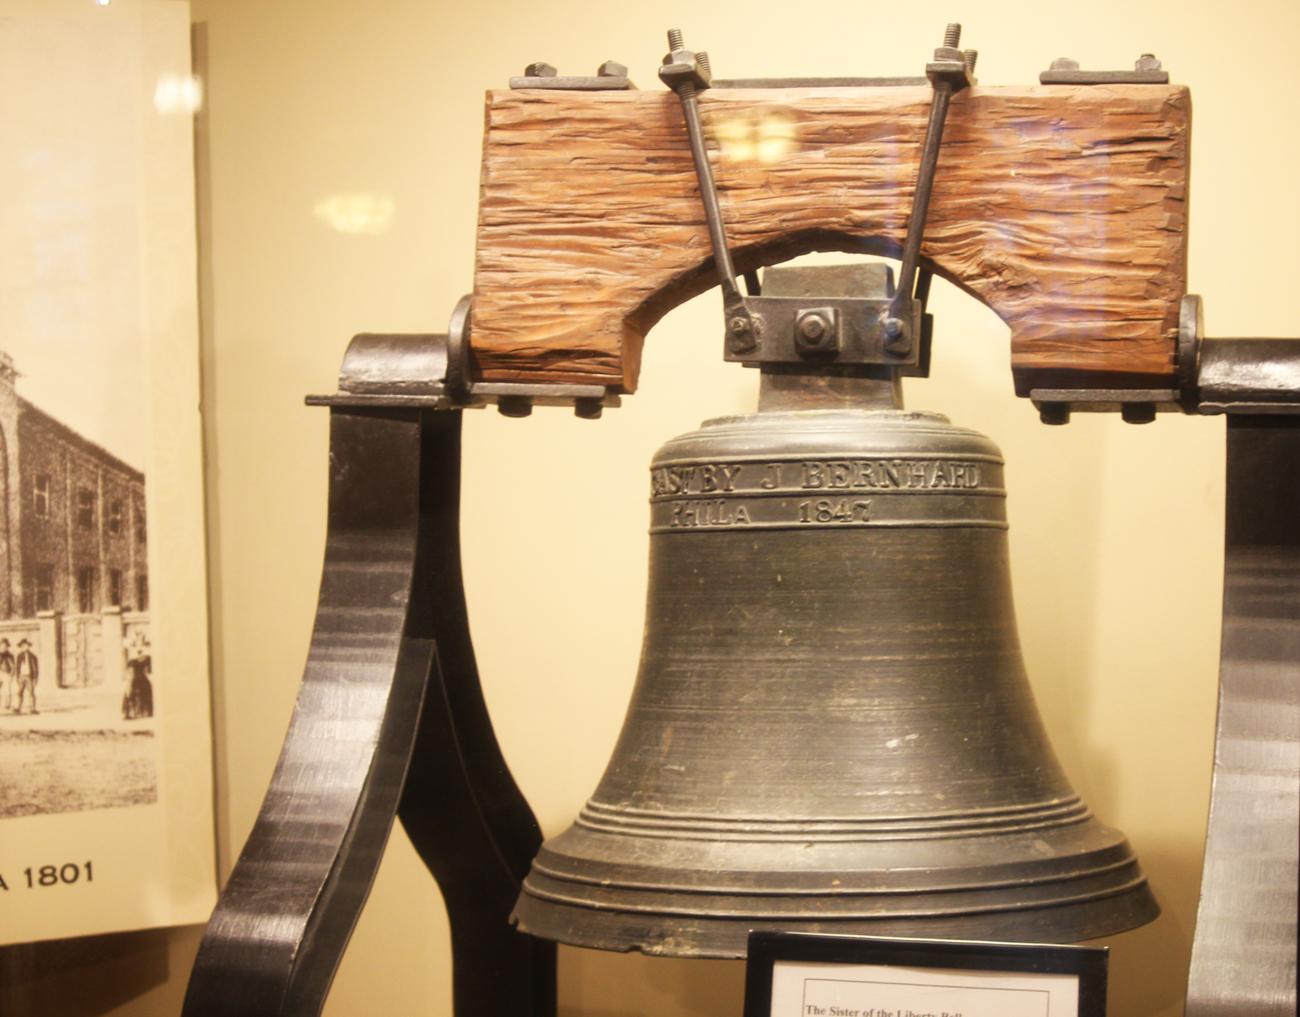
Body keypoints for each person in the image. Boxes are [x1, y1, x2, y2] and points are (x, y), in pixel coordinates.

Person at [122, 641, 152, 720]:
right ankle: (140, 713)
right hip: (141, 679)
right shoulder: (143, 659)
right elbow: (148, 671)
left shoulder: (134, 661)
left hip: (136, 679)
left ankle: (136, 713)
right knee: (138, 694)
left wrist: (129, 683)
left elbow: (131, 673)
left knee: (135, 694)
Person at [14, 637, 38, 715]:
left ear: (28, 646)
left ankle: (32, 708)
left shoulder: (32, 656)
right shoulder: (19, 656)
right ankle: (18, 707)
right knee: (19, 692)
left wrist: (35, 678)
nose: (24, 647)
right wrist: (17, 677)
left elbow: (35, 669)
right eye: (22, 646)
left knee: (31, 692)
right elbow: (17, 667)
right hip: (21, 676)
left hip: (29, 676)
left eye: (25, 645)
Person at [0, 638, 12, 712]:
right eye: (2, 646)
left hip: (7, 673)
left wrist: (11, 673)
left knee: (7, 689)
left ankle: (7, 704)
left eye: (5, 646)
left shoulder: (9, 655)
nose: (4, 648)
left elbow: (13, 665)